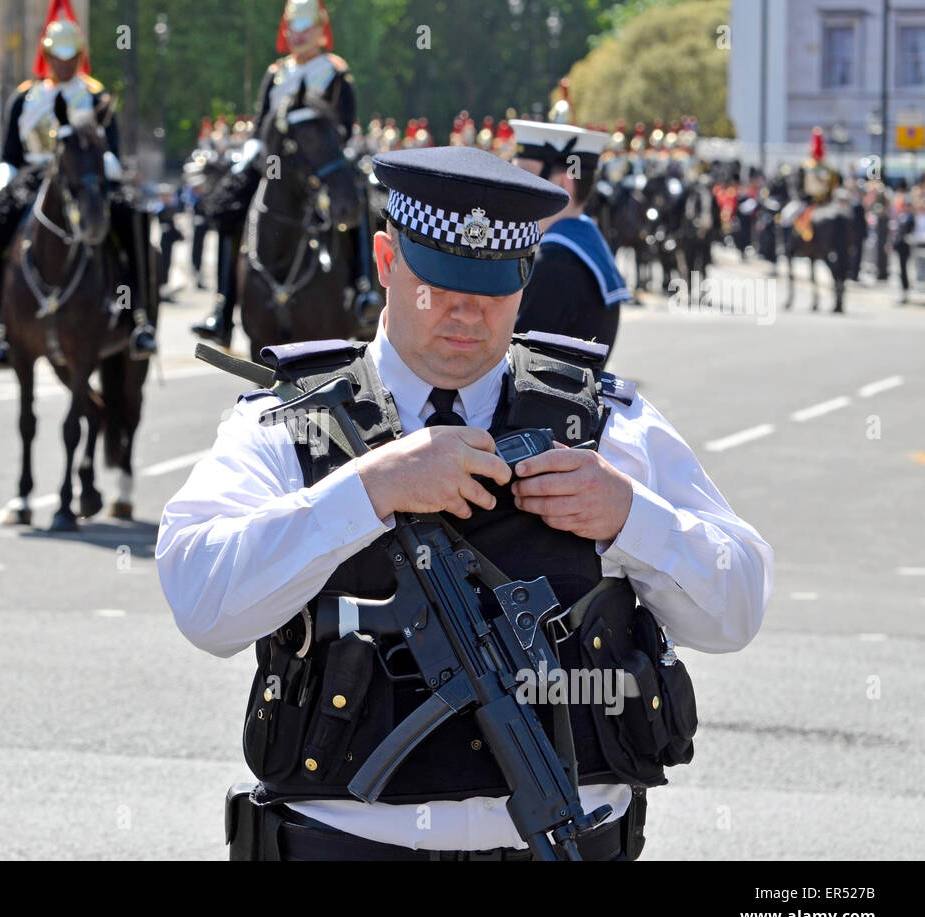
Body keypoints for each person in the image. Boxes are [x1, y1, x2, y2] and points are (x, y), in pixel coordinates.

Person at [157, 146, 773, 860]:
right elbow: (200, 600)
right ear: (387, 261)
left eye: (490, 289)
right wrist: (369, 490)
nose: (464, 313)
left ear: (525, 277)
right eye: (439, 284)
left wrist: (632, 517)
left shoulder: (603, 423)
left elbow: (740, 606)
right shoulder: (295, 421)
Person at [0, 3, 155, 370]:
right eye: (57, 57)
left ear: (80, 57)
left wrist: (109, 168)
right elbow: (11, 153)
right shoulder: (25, 98)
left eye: (70, 58)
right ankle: (1, 331)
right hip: (35, 176)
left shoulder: (96, 95)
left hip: (88, 176)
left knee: (135, 218)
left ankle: (139, 318)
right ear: (47, 56)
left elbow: (112, 148)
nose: (64, 65)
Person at [191, 0, 379, 349]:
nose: (297, 35)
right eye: (293, 29)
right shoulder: (276, 72)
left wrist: (329, 150)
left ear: (320, 31)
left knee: (357, 198)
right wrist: (252, 149)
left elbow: (346, 122)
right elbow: (261, 118)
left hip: (321, 160)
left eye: (305, 29)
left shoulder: (335, 71)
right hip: (275, 161)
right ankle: (222, 306)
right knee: (230, 207)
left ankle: (363, 287)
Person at [510, 120, 630, 366]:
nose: (514, 188)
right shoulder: (586, 245)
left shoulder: (554, 264)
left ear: (564, 184)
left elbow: (514, 366)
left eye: (525, 176)